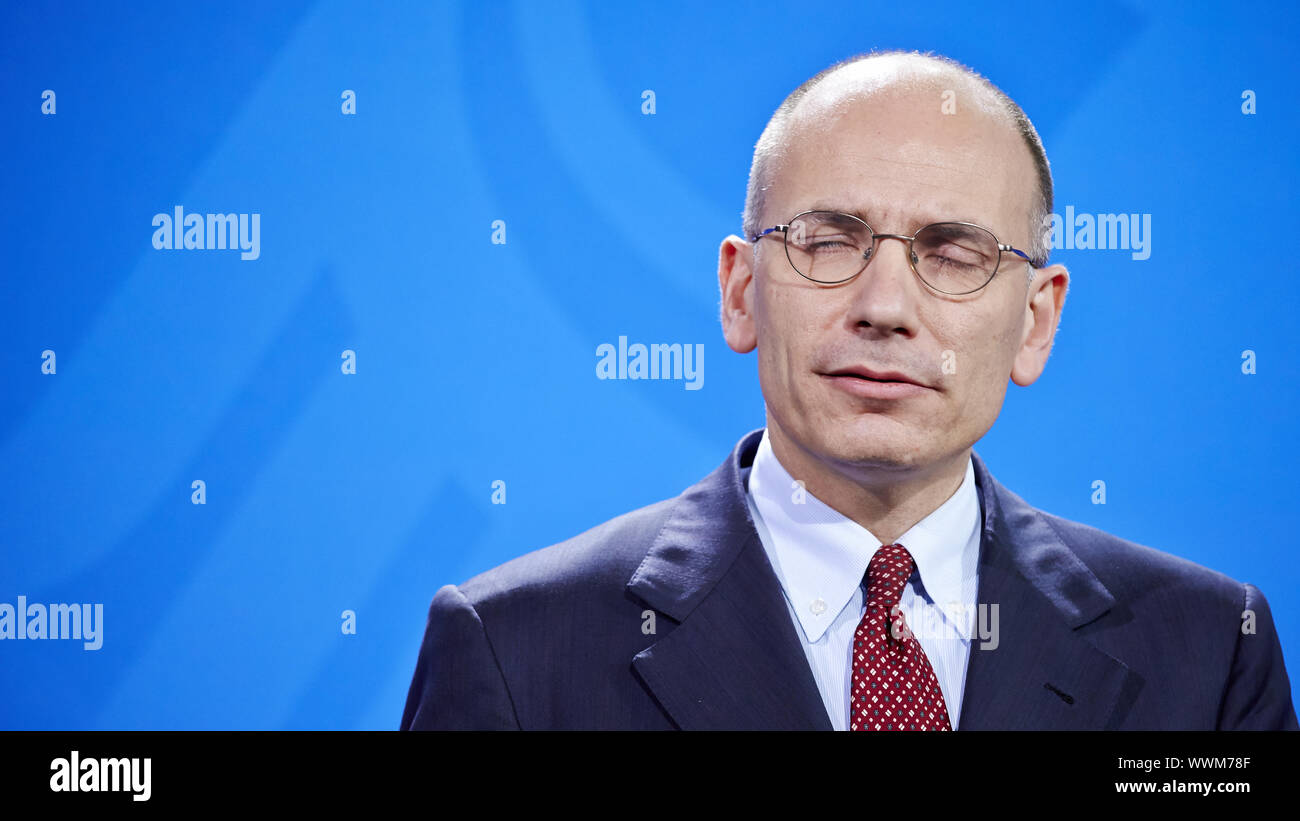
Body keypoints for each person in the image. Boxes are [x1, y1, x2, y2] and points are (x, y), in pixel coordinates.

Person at [400, 50, 1298, 730]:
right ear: (740, 290)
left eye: (954, 253)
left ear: (1036, 320)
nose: (884, 307)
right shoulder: (514, 650)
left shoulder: (1211, 653)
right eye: (829, 240)